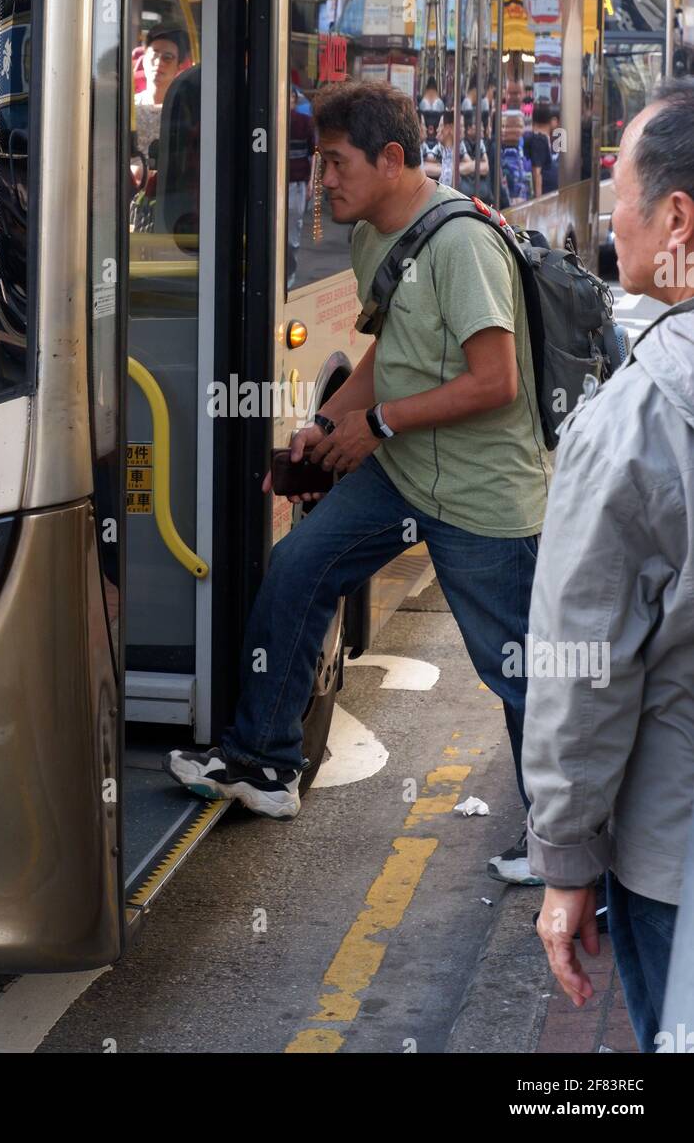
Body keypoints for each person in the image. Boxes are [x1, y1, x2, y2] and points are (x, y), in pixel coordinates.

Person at [166, 81, 551, 888]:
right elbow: (388, 351)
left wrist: (375, 427)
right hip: (405, 473)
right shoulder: (378, 236)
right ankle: (265, 764)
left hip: (481, 496)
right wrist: (331, 420)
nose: (322, 180)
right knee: (301, 569)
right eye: (315, 161)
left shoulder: (461, 247)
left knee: (517, 669)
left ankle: (564, 843)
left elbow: (497, 383)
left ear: (391, 159)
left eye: (335, 163)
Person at [524, 78, 694, 1051]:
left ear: (674, 216)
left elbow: (579, 664)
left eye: (616, 190)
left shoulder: (636, 418)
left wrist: (563, 864)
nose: (604, 215)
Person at [134, 24, 190, 162]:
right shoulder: (128, 106)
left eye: (168, 57)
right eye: (154, 54)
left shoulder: (184, 111)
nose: (159, 62)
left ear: (180, 65)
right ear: (144, 57)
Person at [287, 85, 315, 288]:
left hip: (297, 183)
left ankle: (289, 273)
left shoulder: (305, 122)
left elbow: (313, 153)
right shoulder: (271, 120)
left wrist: (312, 182)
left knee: (293, 232)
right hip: (277, 186)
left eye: (290, 97)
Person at [522, 101, 559, 198]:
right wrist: (538, 201)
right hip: (543, 198)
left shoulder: (539, 139)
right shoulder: (539, 140)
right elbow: (537, 172)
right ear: (552, 121)